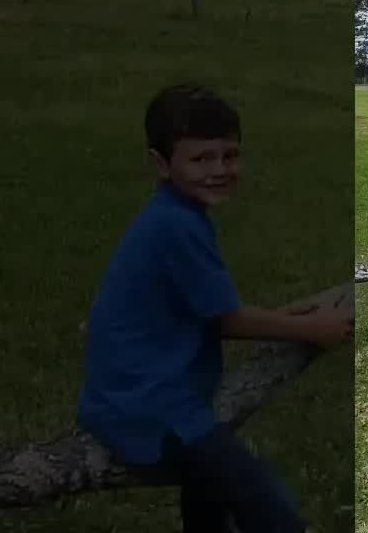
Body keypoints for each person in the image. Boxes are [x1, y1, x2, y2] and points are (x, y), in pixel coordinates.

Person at [77, 83, 352, 532]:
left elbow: (208, 308)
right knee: (262, 498)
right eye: (201, 158)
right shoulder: (175, 227)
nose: (219, 170)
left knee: (208, 496)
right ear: (161, 164)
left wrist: (294, 316)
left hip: (127, 395)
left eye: (229, 155)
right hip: (150, 409)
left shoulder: (172, 214)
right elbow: (227, 320)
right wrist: (314, 329)